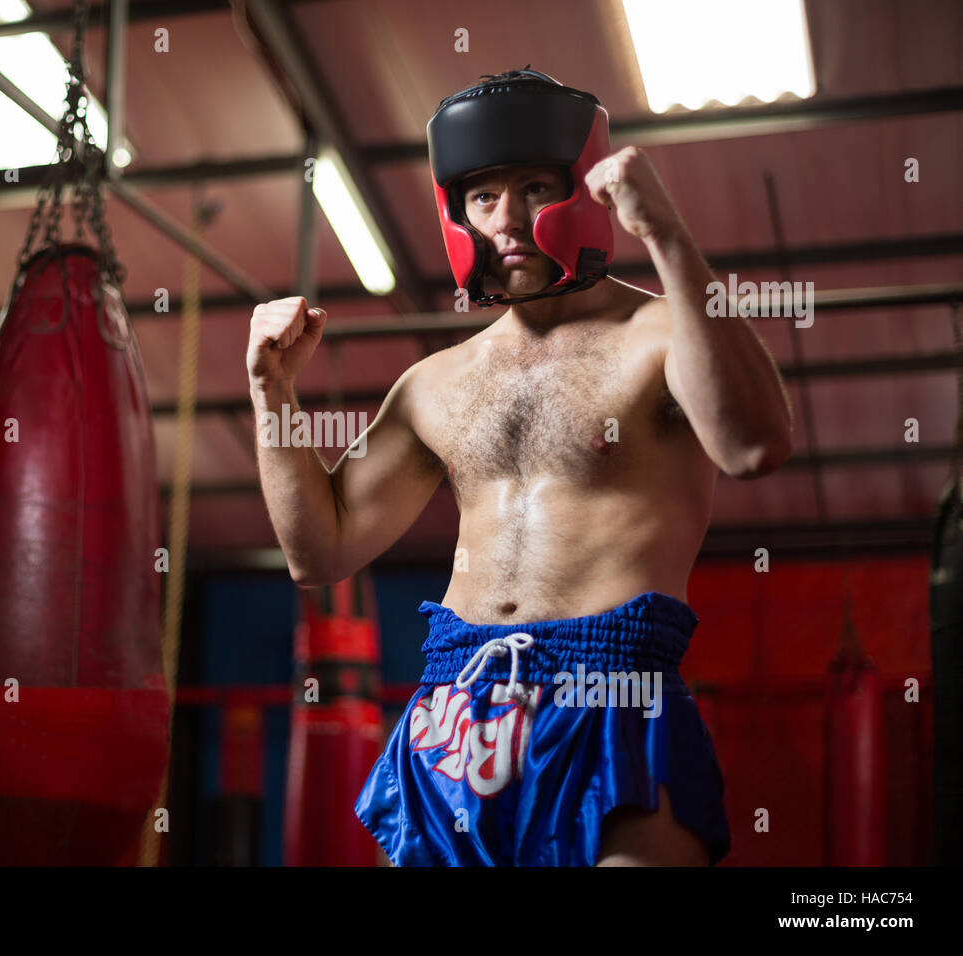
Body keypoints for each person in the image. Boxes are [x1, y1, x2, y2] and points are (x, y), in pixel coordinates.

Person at [245, 67, 792, 866]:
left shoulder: (664, 334)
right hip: (453, 713)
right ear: (455, 212)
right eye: (482, 197)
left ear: (582, 193)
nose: (507, 220)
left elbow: (754, 445)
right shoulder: (435, 382)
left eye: (535, 188)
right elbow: (317, 551)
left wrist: (671, 241)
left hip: (610, 698)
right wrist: (272, 394)